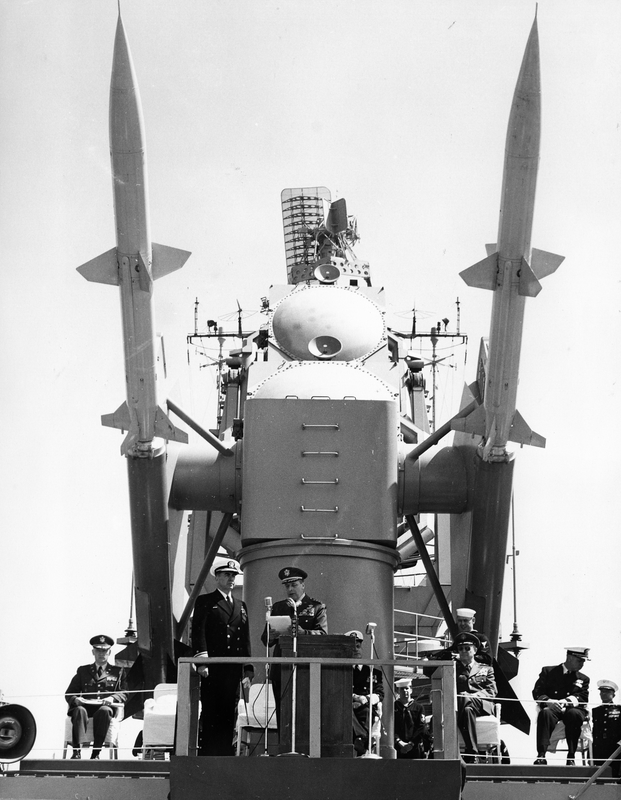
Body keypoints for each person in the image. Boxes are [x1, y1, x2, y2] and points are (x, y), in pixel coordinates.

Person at [191, 556, 254, 756]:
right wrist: (202, 661)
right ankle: (209, 752)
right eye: (227, 575)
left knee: (230, 710)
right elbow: (198, 632)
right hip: (214, 666)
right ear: (217, 577)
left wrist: (248, 667)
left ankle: (225, 751)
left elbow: (244, 637)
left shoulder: (241, 605)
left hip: (232, 667)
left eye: (233, 575)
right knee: (211, 709)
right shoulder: (205, 601)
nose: (231, 579)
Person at [261, 566, 327, 727]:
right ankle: (283, 749)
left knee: (304, 711)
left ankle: (303, 750)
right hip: (281, 667)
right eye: (287, 586)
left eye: (294, 585)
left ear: (303, 585)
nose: (290, 589)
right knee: (282, 711)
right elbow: (265, 639)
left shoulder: (317, 607)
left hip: (304, 667)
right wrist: (273, 635)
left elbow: (323, 635)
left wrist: (303, 632)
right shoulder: (278, 607)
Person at [65, 635, 127, 759]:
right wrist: (76, 699)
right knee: (78, 710)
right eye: (98, 650)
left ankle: (95, 753)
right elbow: (70, 693)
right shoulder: (83, 671)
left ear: (109, 652)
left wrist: (112, 698)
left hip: (106, 707)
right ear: (93, 652)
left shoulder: (118, 671)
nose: (101, 654)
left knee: (104, 711)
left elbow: (124, 693)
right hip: (86, 707)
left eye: (104, 651)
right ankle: (76, 752)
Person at [532, 646, 590, 765]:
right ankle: (541, 755)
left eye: (583, 661)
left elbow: (583, 696)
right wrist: (548, 701)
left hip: (572, 708)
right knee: (545, 713)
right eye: (580, 660)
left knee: (574, 714)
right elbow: (537, 691)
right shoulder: (548, 672)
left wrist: (567, 701)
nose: (582, 664)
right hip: (553, 707)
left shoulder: (583, 678)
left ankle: (571, 756)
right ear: (569, 657)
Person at [454, 632, 497, 763]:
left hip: (482, 704)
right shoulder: (453, 669)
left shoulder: (486, 669)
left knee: (464, 698)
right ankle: (472, 752)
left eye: (467, 648)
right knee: (467, 710)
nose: (463, 651)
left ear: (475, 650)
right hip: (465, 708)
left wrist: (473, 696)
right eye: (460, 649)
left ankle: (469, 752)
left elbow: (492, 691)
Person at [345, 630, 384, 756]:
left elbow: (380, 693)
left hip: (366, 708)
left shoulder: (373, 672)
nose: (356, 650)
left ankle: (360, 741)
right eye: (352, 647)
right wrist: (355, 698)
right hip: (349, 707)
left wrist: (365, 699)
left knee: (367, 712)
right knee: (347, 711)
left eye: (358, 646)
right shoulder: (343, 672)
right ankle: (363, 741)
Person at [394, 677, 430, 759]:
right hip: (397, 747)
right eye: (402, 689)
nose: (405, 691)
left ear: (411, 690)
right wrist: (399, 742)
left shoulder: (418, 707)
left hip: (414, 748)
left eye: (407, 688)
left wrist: (411, 744)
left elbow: (422, 728)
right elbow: (390, 727)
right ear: (398, 691)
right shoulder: (393, 707)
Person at [592, 679, 621, 778]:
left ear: (613, 695)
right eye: (602, 692)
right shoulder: (595, 711)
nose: (603, 694)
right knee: (599, 774)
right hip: (599, 747)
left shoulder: (619, 710)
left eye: (607, 692)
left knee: (616, 773)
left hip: (615, 747)